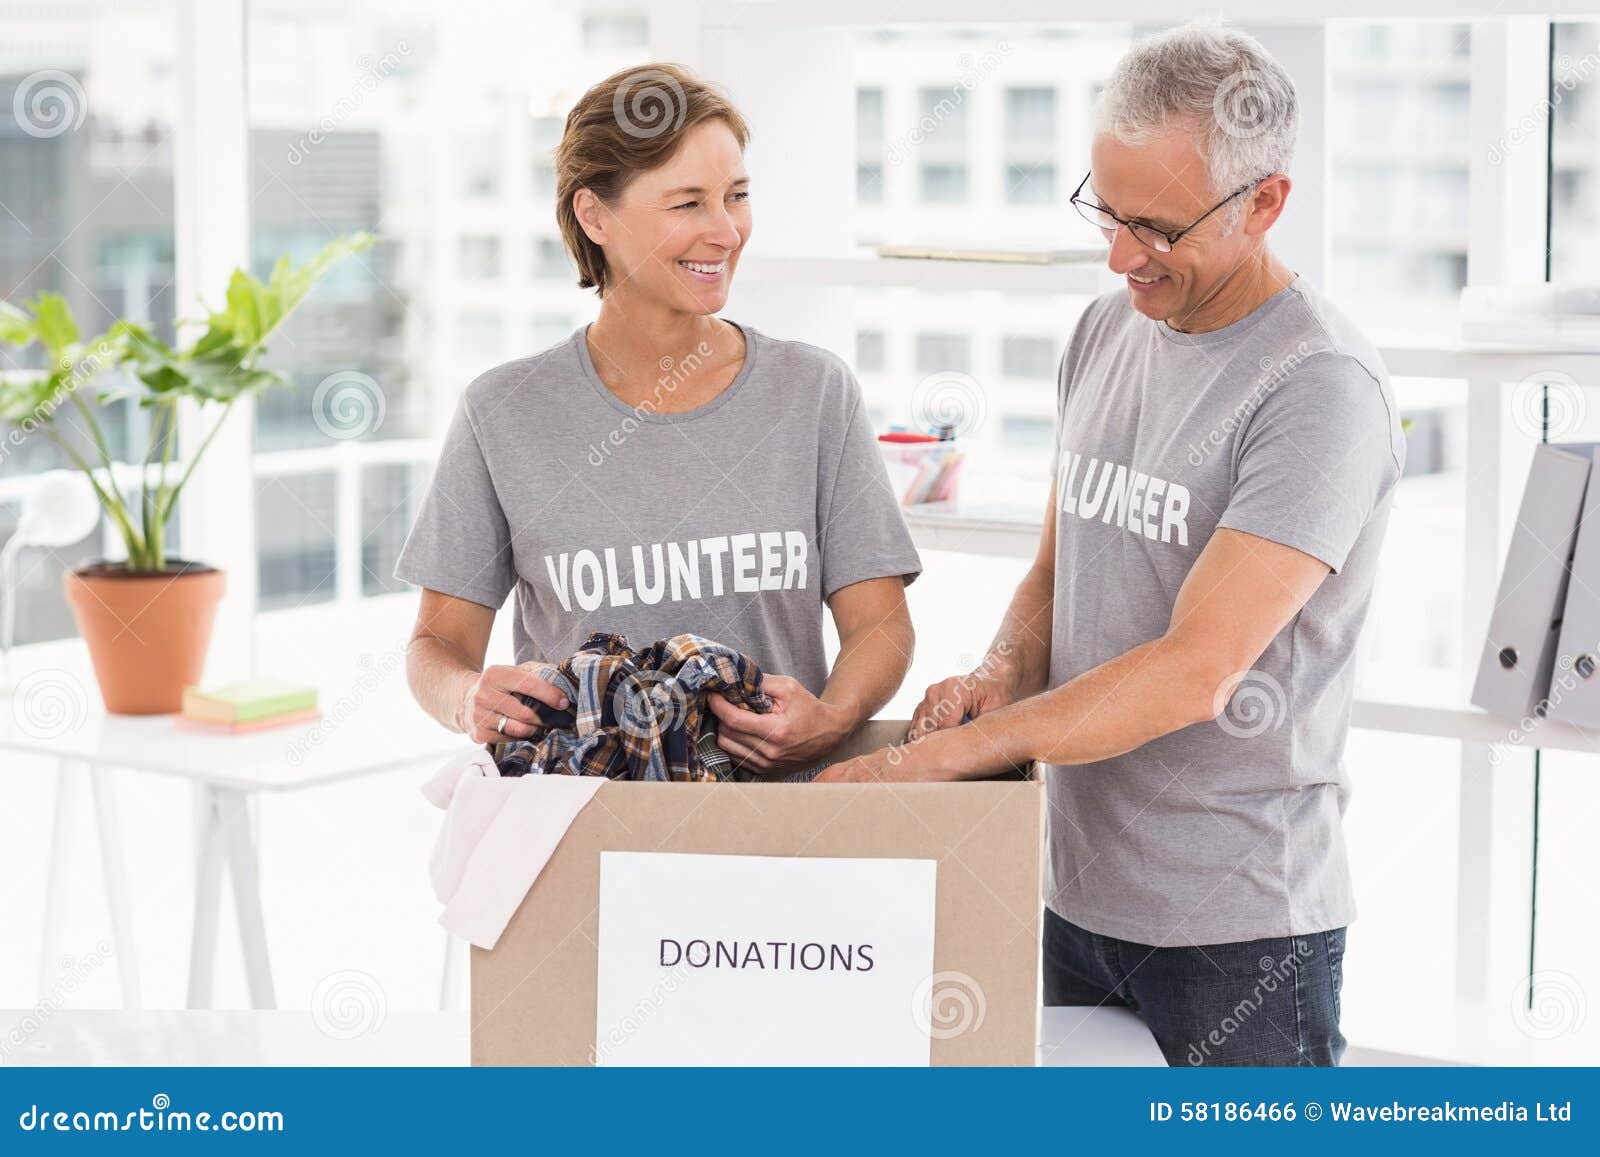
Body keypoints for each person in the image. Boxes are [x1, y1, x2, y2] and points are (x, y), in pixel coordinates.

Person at [818, 23, 1405, 1067]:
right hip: (1072, 897)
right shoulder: (1105, 329)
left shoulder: (1316, 389)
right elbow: (1058, 568)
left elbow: (1194, 669)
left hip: (1241, 933)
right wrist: (1000, 671)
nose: (1119, 253)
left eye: (1157, 227)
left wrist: (947, 754)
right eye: (1103, 208)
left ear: (1264, 202)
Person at [396, 63, 919, 774]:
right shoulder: (504, 413)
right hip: (580, 841)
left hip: (785, 840)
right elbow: (436, 646)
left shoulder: (816, 393)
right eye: (687, 204)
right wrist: (466, 698)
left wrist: (834, 716)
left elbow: (880, 624)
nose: (726, 231)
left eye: (737, 196)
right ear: (594, 216)